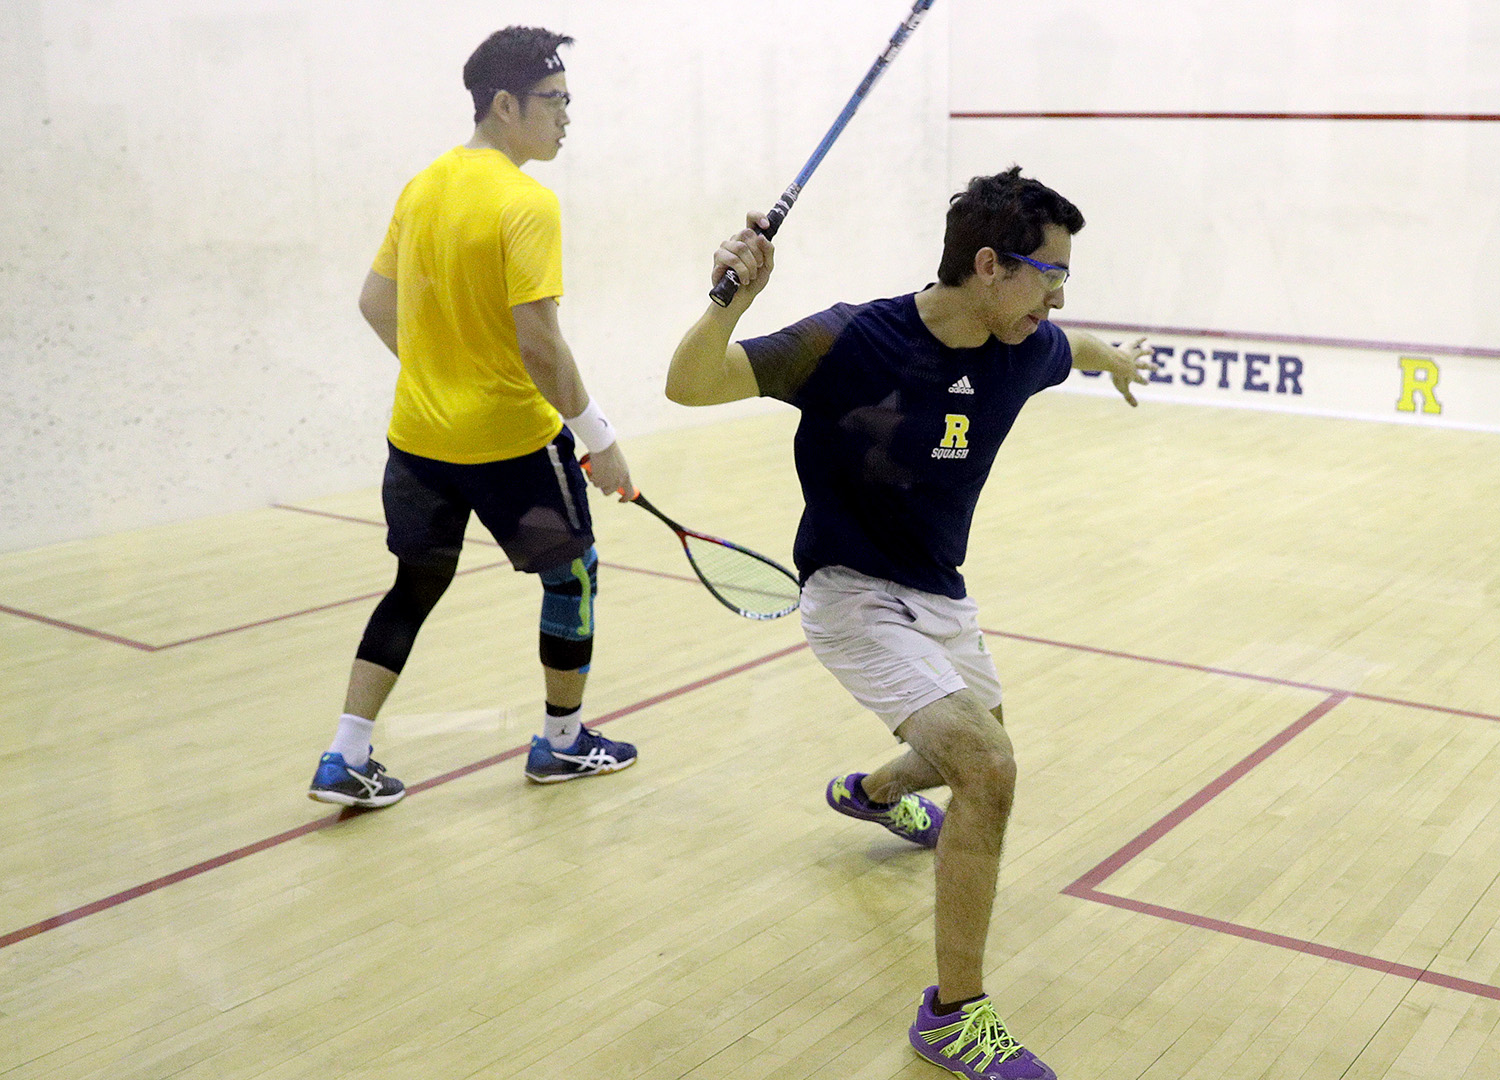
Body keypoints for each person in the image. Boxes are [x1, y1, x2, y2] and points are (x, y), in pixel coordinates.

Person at [665, 167, 1151, 1080]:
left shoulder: (1023, 345)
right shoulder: (850, 339)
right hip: (852, 594)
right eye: (1049, 275)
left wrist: (1117, 360)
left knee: (967, 750)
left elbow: (1077, 346)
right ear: (988, 265)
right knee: (988, 768)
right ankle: (953, 1015)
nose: (1056, 297)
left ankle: (876, 792)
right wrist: (733, 301)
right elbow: (690, 385)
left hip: (941, 595)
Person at [308, 26, 638, 809]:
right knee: (572, 576)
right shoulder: (527, 202)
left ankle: (344, 754)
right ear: (504, 105)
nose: (566, 117)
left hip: (418, 442)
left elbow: (374, 302)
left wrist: (440, 372)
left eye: (568, 100)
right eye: (553, 101)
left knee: (414, 583)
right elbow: (540, 346)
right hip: (511, 448)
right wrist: (601, 440)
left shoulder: (423, 186)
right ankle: (562, 743)